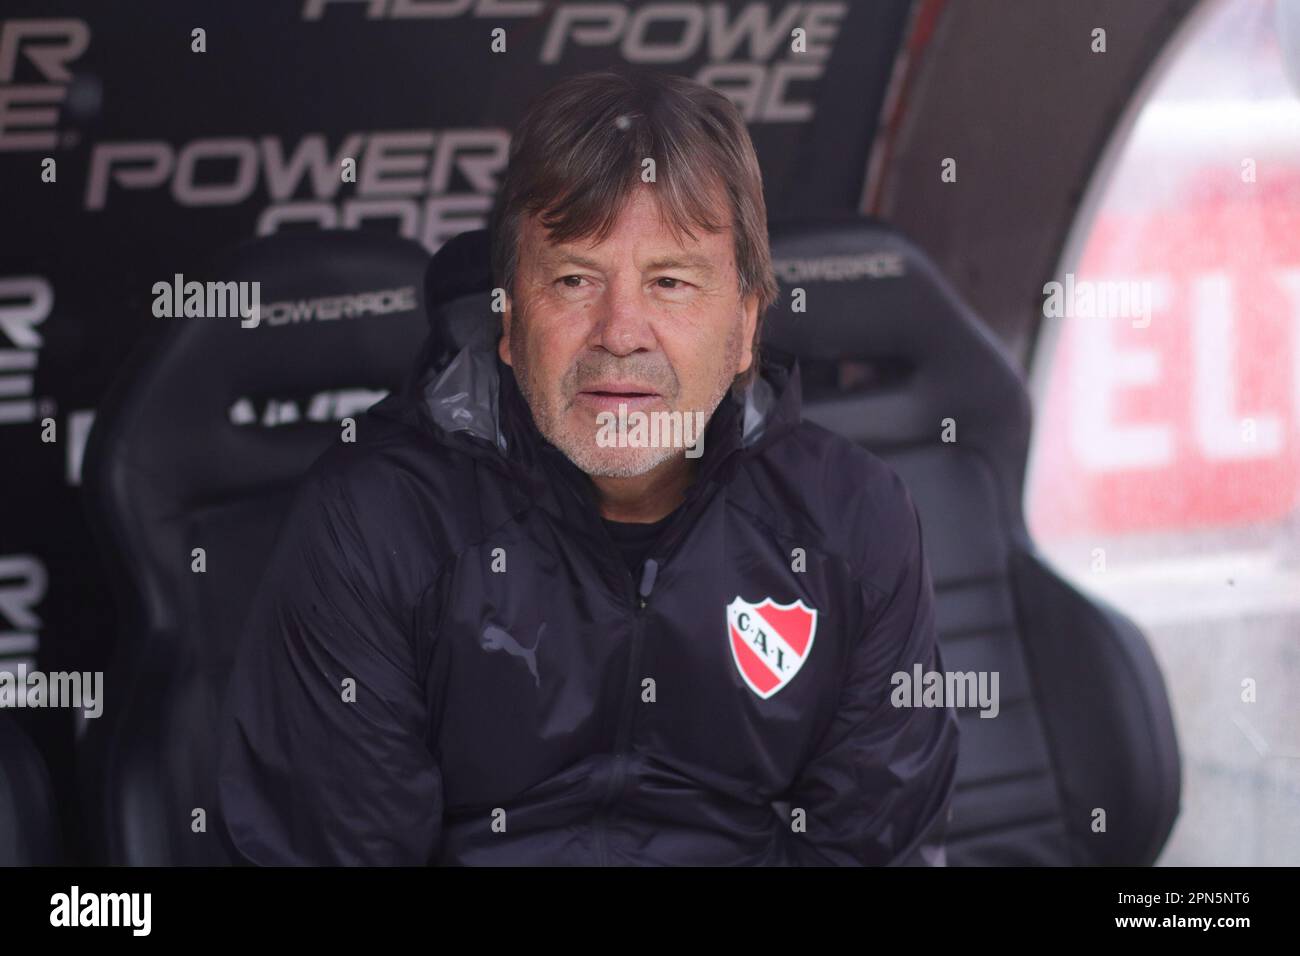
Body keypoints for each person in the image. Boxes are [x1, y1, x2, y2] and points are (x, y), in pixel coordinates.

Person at [215, 67, 960, 866]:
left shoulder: (852, 520)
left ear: (745, 325)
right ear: (508, 318)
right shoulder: (377, 520)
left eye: (670, 282)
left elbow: (873, 851)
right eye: (574, 279)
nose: (621, 332)